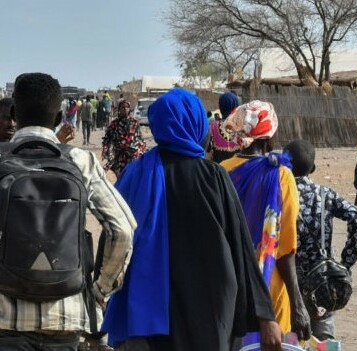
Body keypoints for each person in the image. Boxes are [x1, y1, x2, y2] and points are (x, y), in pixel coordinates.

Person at [103, 88, 283, 351]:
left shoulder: (134, 174)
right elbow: (241, 246)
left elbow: (113, 238)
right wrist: (265, 315)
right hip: (209, 312)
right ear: (196, 122)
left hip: (145, 314)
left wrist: (101, 293)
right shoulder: (213, 177)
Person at [0, 73, 135, 350]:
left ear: (14, 113)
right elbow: (122, 229)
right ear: (61, 115)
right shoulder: (80, 160)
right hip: (66, 316)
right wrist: (99, 290)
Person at [219, 100, 312, 343]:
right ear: (269, 136)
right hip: (268, 292)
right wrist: (298, 304)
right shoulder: (281, 174)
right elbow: (284, 249)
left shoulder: (221, 171)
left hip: (229, 287)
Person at [284, 139, 357, 341]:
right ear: (313, 168)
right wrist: (344, 264)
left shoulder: (279, 193)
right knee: (324, 339)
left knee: (290, 340)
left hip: (286, 280)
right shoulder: (325, 194)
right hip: (322, 280)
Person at [102, 100, 146, 176]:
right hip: (119, 155)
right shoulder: (114, 123)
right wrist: (106, 150)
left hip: (132, 155)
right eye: (123, 107)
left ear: (129, 109)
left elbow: (139, 138)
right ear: (119, 109)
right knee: (120, 177)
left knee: (131, 176)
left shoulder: (135, 122)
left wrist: (142, 149)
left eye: (127, 107)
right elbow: (107, 138)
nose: (125, 109)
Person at [208, 92, 242, 163]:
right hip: (239, 171)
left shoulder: (213, 126)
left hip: (219, 171)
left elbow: (208, 149)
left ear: (221, 106)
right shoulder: (243, 126)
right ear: (236, 106)